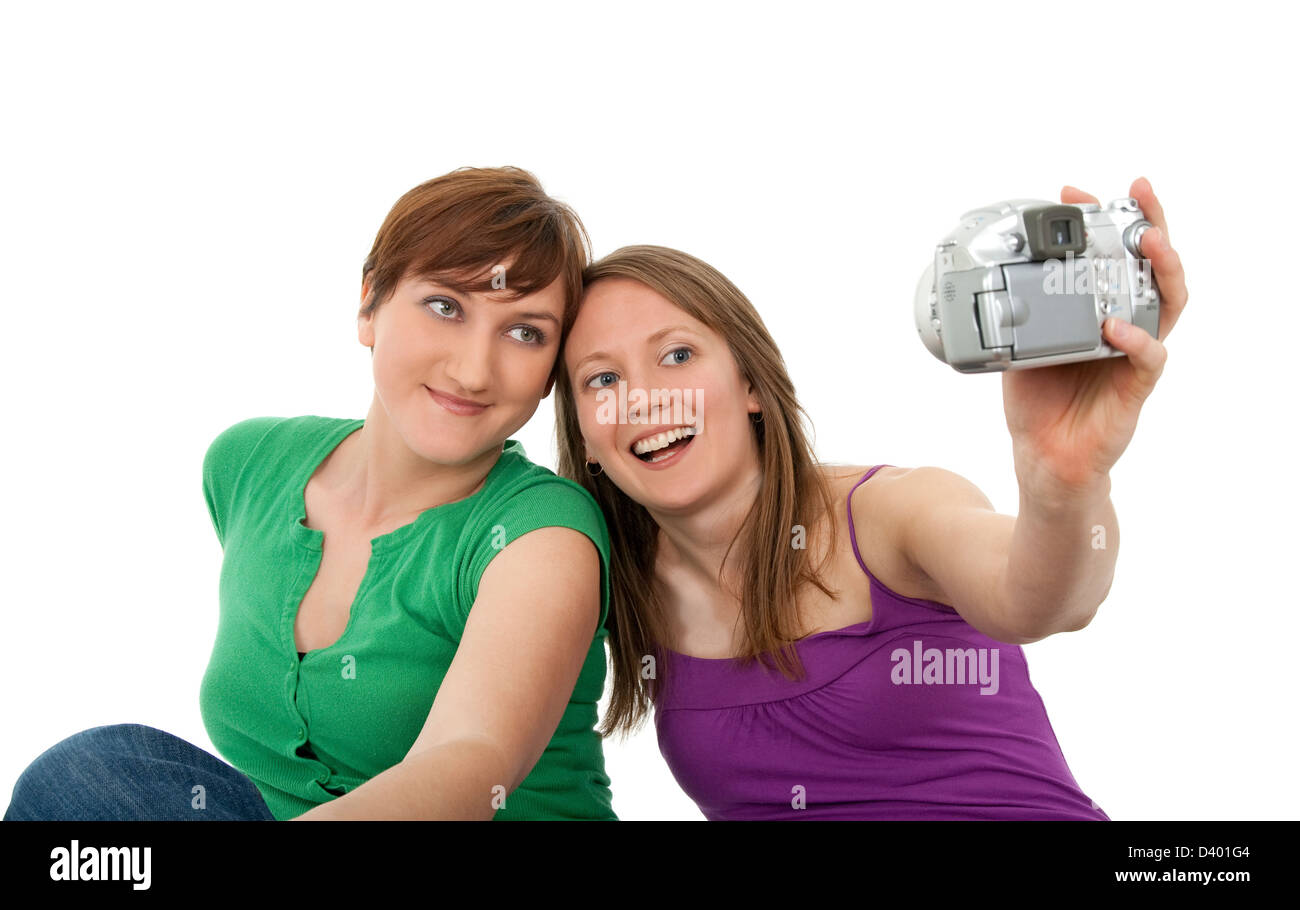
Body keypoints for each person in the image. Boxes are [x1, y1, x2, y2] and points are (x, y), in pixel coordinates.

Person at [554, 179, 1187, 820]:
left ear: (749, 382)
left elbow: (1044, 602)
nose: (644, 398)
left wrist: (1062, 485)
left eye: (677, 354)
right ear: (584, 434)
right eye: (603, 378)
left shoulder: (889, 513)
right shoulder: (604, 579)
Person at [4, 166, 617, 821]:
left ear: (551, 371)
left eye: (525, 332)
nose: (473, 370)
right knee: (97, 773)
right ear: (369, 305)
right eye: (445, 306)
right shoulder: (247, 467)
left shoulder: (543, 536)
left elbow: (469, 758)